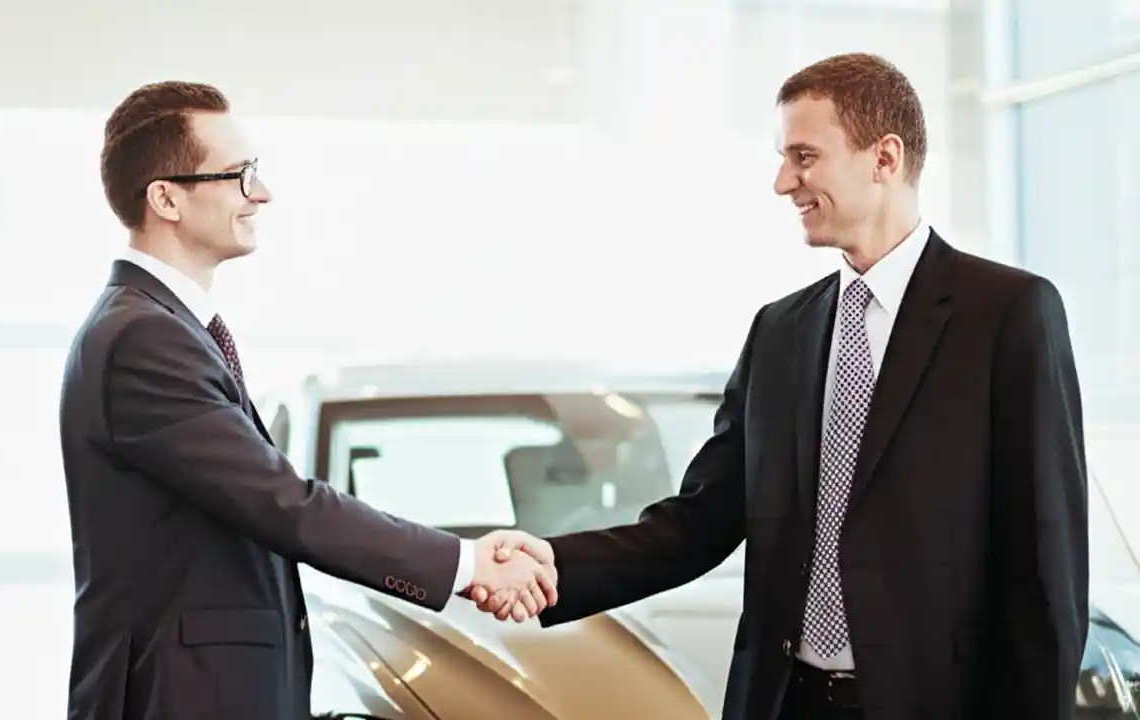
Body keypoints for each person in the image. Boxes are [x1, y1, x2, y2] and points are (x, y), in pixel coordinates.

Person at [473, 52, 1089, 720]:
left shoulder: (1006, 314)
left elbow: (1044, 575)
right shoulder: (781, 332)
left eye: (803, 156)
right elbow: (699, 522)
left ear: (884, 158)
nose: (782, 182)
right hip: (781, 703)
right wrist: (555, 566)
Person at [58, 81, 556, 720]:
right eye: (239, 175)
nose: (260, 193)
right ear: (166, 199)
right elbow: (283, 504)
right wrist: (467, 565)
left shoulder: (158, 327)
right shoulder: (144, 338)